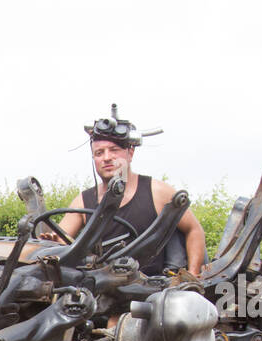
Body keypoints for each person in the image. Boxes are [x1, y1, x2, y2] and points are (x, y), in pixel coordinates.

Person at [43, 105, 206, 276]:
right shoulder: (83, 201)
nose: (106, 158)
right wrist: (52, 242)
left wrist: (192, 275)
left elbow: (194, 230)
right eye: (99, 153)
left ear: (130, 153)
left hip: (153, 291)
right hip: (101, 290)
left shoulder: (157, 192)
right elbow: (61, 239)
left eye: (114, 150)